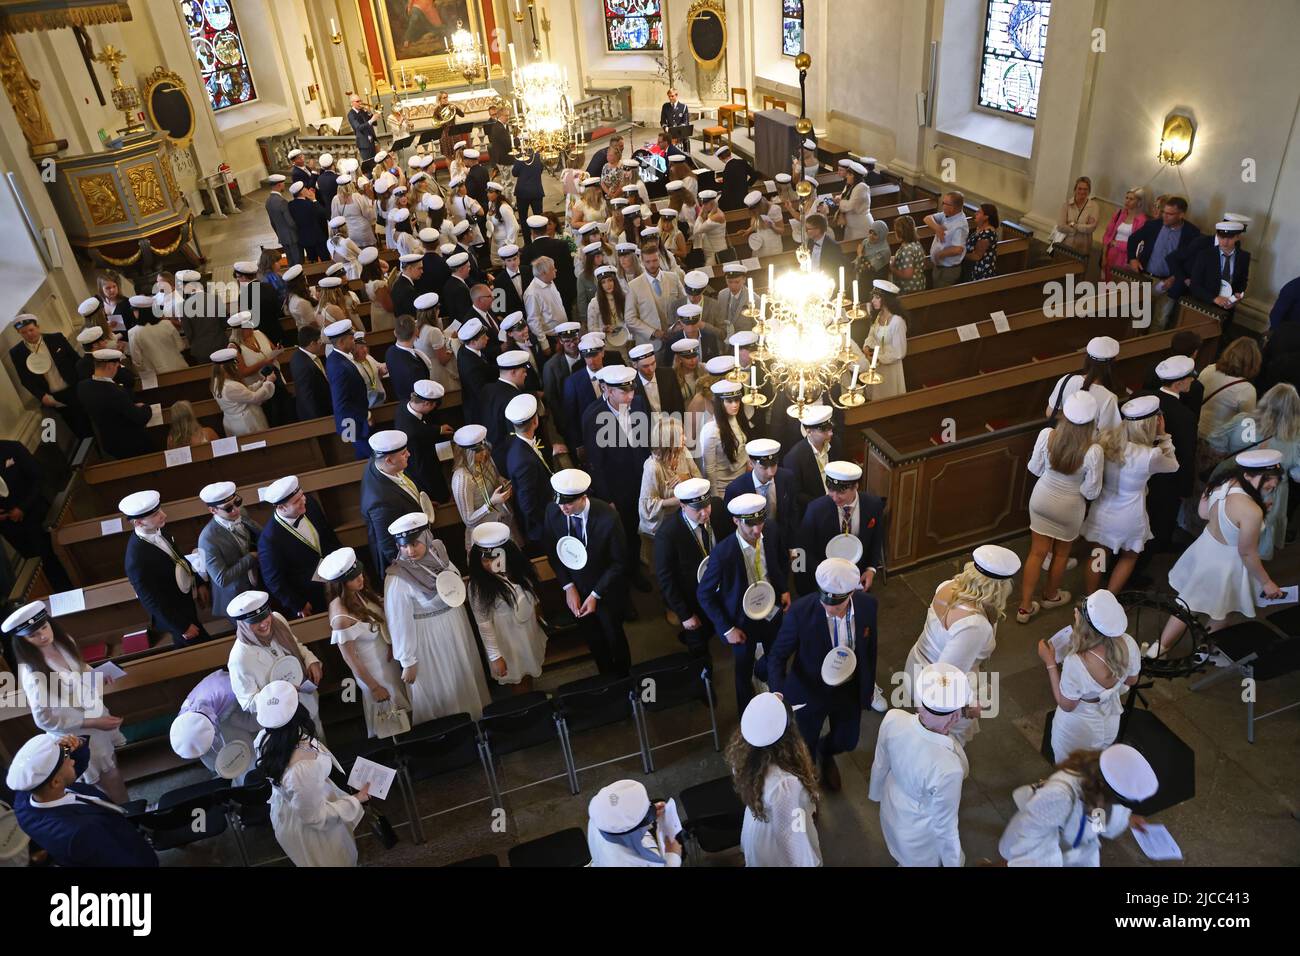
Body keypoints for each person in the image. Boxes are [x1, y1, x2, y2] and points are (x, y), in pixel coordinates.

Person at [1149, 450, 1287, 659]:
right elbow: (1247, 553)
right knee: (1223, 610)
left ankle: (1159, 649)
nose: (1271, 490)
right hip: (1228, 563)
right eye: (1269, 485)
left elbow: (1204, 513)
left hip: (1205, 549)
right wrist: (1267, 582)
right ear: (1255, 476)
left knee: (1186, 603)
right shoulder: (1251, 511)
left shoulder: (1224, 482)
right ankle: (1204, 650)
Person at [767, 557, 876, 792]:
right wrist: (777, 691)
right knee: (804, 747)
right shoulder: (799, 612)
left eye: (835, 606)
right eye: (825, 602)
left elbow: (870, 650)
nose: (828, 609)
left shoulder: (868, 606)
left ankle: (826, 752)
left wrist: (867, 689)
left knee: (848, 740)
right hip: (809, 691)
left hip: (848, 689)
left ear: (850, 595)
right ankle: (808, 792)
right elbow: (777, 655)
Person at [5, 601, 128, 803]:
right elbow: (44, 719)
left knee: (113, 768)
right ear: (23, 641)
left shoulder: (63, 642)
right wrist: (92, 723)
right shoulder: (32, 673)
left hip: (93, 714)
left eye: (44, 627)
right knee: (106, 780)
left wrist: (97, 675)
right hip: (77, 732)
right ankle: (126, 817)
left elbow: (79, 668)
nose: (43, 636)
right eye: (33, 635)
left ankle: (130, 811)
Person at [903, 544, 1019, 744]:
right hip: (938, 689)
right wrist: (966, 707)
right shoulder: (974, 626)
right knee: (946, 743)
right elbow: (946, 675)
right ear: (999, 587)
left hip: (917, 665)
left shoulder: (946, 586)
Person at [383, 512, 491, 723]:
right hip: (428, 639)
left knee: (463, 678)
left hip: (455, 628)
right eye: (404, 546)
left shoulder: (442, 560)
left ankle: (477, 728)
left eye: (414, 543)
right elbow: (398, 622)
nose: (409, 550)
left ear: (426, 537)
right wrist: (407, 659)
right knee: (443, 687)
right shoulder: (398, 578)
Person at [869, 662, 970, 867]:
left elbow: (880, 763)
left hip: (891, 805)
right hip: (918, 831)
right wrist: (954, 863)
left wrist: (876, 794)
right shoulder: (949, 768)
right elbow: (945, 826)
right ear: (955, 716)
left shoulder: (893, 718)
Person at [255, 681, 366, 867]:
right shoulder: (301, 768)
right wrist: (356, 800)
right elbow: (316, 817)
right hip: (311, 829)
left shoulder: (264, 739)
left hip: (291, 808)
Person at [698, 492, 792, 713]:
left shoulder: (771, 530)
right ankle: (747, 717)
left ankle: (779, 709)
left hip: (771, 609)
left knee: (777, 659)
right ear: (735, 521)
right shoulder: (723, 553)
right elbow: (705, 594)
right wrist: (727, 628)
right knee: (743, 670)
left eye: (760, 521)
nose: (757, 530)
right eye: (750, 525)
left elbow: (780, 561)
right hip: (741, 620)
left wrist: (784, 589)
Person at [6, 733, 155, 867]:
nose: (72, 761)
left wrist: (76, 744)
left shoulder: (25, 800)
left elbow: (63, 771)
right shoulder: (80, 833)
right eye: (67, 761)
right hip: (128, 852)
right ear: (56, 782)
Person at [1079, 395, 1179, 594]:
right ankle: (1108, 601)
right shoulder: (1149, 456)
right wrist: (1164, 436)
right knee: (1129, 557)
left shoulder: (1105, 441)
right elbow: (1173, 466)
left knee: (1098, 554)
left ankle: (1089, 599)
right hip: (1129, 515)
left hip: (1102, 509)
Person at [1018, 392, 1103, 623]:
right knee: (1061, 553)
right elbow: (1091, 492)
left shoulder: (1048, 435)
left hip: (1042, 499)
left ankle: (1024, 608)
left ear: (1064, 415)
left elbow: (1034, 468)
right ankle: (1050, 595)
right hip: (1070, 506)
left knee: (1037, 552)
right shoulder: (1093, 451)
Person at [998, 744, 1157, 867]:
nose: (1117, 807)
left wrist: (1127, 820)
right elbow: (1030, 840)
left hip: (1066, 848)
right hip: (1032, 850)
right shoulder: (1059, 795)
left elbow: (1096, 822)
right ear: (1107, 790)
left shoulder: (1097, 788)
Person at [545, 469, 631, 675]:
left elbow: (619, 562)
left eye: (568, 503)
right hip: (576, 589)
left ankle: (625, 680)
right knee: (593, 639)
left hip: (606, 590)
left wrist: (595, 594)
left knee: (614, 637)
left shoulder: (608, 517)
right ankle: (606, 678)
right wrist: (568, 587)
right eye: (559, 502)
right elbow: (552, 553)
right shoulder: (552, 511)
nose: (562, 507)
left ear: (584, 497)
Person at [317, 546, 409, 738]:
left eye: (360, 573)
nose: (361, 579)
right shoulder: (341, 617)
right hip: (373, 672)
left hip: (387, 661)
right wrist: (374, 687)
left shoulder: (358, 592)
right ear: (340, 584)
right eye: (353, 578)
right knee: (391, 721)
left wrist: (390, 643)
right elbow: (351, 659)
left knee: (405, 714)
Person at [1040, 591, 1141, 764]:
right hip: (1110, 720)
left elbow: (1067, 705)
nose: (1075, 613)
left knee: (1069, 765)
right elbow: (1131, 680)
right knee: (1096, 762)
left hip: (1079, 727)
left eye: (1077, 612)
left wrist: (1050, 663)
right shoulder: (1128, 643)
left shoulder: (1077, 661)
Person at [1203, 384, 1300, 559]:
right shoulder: (1295, 436)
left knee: (1231, 526)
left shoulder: (1242, 420)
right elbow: (1297, 475)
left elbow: (1215, 440)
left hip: (1236, 484)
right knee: (1260, 532)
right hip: (1272, 493)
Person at [727, 692, 821, 867]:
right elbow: (791, 840)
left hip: (759, 827)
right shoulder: (784, 784)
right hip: (776, 844)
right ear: (788, 737)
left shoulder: (743, 755)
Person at [120, 490, 210, 648]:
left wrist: (199, 581)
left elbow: (179, 558)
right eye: (155, 515)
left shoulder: (159, 531)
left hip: (184, 602)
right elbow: (150, 601)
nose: (164, 515)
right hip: (174, 613)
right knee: (202, 648)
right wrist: (181, 626)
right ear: (138, 523)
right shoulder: (136, 559)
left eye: (160, 510)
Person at [226, 590, 324, 735]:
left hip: (307, 700)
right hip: (283, 722)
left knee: (321, 741)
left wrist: (310, 660)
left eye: (265, 616)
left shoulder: (277, 620)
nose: (264, 624)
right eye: (254, 622)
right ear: (242, 624)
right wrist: (280, 692)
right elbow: (248, 702)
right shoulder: (239, 658)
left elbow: (296, 645)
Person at [467, 522, 547, 689]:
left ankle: (534, 699)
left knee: (529, 669)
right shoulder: (478, 586)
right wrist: (495, 656)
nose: (490, 564)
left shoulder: (517, 569)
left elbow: (531, 592)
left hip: (527, 629)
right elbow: (483, 623)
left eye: (496, 558)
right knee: (516, 675)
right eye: (485, 560)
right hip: (506, 637)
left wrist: (538, 613)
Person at [796, 458, 886, 599]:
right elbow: (801, 548)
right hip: (824, 581)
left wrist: (871, 569)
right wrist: (803, 583)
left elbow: (876, 539)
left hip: (857, 580)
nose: (835, 497)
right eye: (831, 490)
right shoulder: (815, 509)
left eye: (841, 492)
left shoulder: (873, 505)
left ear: (855, 486)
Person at [258, 474, 342, 619]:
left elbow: (329, 536)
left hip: (337, 577)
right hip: (311, 595)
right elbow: (274, 581)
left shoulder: (310, 504)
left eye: (302, 495)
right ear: (281, 507)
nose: (304, 500)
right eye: (297, 501)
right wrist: (298, 604)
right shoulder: (269, 540)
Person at [1144, 354, 1200, 557]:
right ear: (1179, 383)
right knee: (1161, 517)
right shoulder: (1184, 416)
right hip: (1167, 478)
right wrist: (1186, 487)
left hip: (1141, 470)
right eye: (1190, 378)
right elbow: (1186, 454)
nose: (1193, 381)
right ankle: (1155, 550)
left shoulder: (1142, 398)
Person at [361, 429, 436, 577]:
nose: (408, 454)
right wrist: (418, 572)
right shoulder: (380, 502)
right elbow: (389, 548)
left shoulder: (379, 463)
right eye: (403, 453)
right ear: (389, 460)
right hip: (411, 561)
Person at [0, 439, 73, 590]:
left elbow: (38, 477)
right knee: (33, 563)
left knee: (48, 556)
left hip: (34, 513)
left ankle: (68, 589)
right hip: (10, 527)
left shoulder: (11, 448)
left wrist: (22, 508)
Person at [169, 669, 261, 783]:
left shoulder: (229, 692)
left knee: (246, 753)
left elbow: (253, 712)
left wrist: (241, 722)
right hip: (218, 707)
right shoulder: (185, 721)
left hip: (232, 701)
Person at [8, 313, 89, 441]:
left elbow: (75, 360)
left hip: (75, 387)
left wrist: (85, 382)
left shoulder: (56, 338)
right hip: (55, 397)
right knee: (78, 428)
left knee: (91, 417)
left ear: (38, 327)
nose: (29, 334)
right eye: (24, 332)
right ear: (19, 333)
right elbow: (25, 379)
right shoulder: (17, 353)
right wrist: (42, 396)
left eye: (31, 330)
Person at [1126, 196, 1201, 327]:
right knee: (1138, 317)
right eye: (1164, 212)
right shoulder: (1153, 225)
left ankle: (1152, 346)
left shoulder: (1191, 233)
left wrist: (1174, 278)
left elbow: (1192, 261)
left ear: (1181, 214)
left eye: (1170, 214)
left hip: (1170, 283)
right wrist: (1132, 259)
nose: (1165, 216)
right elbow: (1133, 239)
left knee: (1160, 320)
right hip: (1146, 277)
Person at [198, 480, 262, 617]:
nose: (236, 510)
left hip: (258, 585)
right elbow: (222, 579)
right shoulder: (207, 539)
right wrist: (251, 557)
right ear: (213, 510)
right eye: (228, 508)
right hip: (236, 598)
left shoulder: (241, 512)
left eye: (237, 502)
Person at [586, 778, 682, 867]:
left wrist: (645, 812)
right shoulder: (639, 862)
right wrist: (673, 855)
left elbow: (620, 818)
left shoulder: (598, 817)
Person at [1044, 335, 1124, 433]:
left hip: (1061, 442)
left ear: (1087, 360)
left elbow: (1050, 413)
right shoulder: (1109, 398)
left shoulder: (1066, 380)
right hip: (1088, 447)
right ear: (1112, 365)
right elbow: (1108, 436)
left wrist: (1072, 422)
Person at [323, 318, 371, 459]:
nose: (354, 341)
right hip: (353, 424)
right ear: (341, 342)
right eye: (351, 338)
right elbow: (341, 403)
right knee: (374, 458)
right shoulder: (338, 366)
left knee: (365, 458)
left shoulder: (339, 359)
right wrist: (359, 421)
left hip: (356, 422)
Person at [783, 404, 840, 519]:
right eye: (824, 430)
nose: (830, 433)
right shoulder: (794, 457)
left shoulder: (836, 443)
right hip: (812, 512)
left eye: (831, 428)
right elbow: (796, 494)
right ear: (809, 431)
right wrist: (824, 502)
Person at [1196, 337, 1259, 440]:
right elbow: (1246, 424)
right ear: (1253, 362)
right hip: (1217, 441)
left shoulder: (1209, 369)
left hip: (1195, 429)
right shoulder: (1247, 390)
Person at [699, 379, 754, 498]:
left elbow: (744, 447)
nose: (735, 405)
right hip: (723, 489)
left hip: (744, 481)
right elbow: (709, 469)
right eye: (729, 401)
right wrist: (715, 497)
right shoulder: (710, 430)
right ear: (720, 403)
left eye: (737, 400)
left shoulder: (740, 419)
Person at [210, 347, 275, 437]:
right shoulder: (231, 386)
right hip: (245, 422)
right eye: (234, 364)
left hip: (232, 421)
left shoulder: (217, 382)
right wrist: (268, 383)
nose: (236, 367)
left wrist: (261, 383)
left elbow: (244, 393)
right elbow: (254, 398)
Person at [863, 279, 908, 399]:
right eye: (873, 297)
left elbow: (899, 352)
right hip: (877, 365)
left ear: (886, 299)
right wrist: (867, 346)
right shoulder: (878, 315)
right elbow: (872, 335)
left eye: (877, 297)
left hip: (890, 369)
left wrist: (879, 357)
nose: (873, 301)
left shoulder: (897, 322)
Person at [126, 295, 187, 373]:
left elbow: (137, 360)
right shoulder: (167, 324)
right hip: (179, 368)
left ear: (137, 312)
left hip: (157, 374)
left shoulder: (133, 332)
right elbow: (181, 346)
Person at [1100, 187, 1149, 281]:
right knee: (1106, 282)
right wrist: (1104, 255)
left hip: (1126, 256)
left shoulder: (1142, 220)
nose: (1127, 201)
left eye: (1131, 199)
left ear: (1139, 202)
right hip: (1111, 252)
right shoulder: (1120, 213)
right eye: (1126, 198)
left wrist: (1117, 244)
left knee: (1118, 284)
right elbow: (1108, 234)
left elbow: (1139, 245)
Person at [924, 192, 968, 288]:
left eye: (944, 203)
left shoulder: (959, 225)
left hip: (948, 270)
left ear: (952, 207)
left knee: (940, 296)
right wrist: (937, 228)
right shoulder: (946, 215)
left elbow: (958, 249)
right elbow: (927, 218)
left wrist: (940, 254)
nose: (942, 205)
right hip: (939, 265)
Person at [290, 325, 333, 421]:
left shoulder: (297, 355)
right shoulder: (304, 366)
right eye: (319, 341)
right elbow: (307, 396)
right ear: (312, 343)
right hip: (318, 414)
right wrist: (317, 421)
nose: (321, 344)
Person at [1056, 176, 1099, 256]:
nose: (1082, 191)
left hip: (1083, 248)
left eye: (1085, 189)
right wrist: (1074, 231)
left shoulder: (1094, 206)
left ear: (1089, 191)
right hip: (1066, 246)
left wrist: (1073, 225)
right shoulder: (1066, 205)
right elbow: (1060, 226)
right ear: (1075, 189)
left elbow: (1091, 228)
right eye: (1079, 188)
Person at [265, 175, 301, 265]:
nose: (284, 185)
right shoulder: (282, 201)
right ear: (279, 185)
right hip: (291, 236)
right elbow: (290, 222)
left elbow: (272, 222)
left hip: (282, 236)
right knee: (298, 261)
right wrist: (299, 230)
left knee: (290, 260)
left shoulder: (268, 201)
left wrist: (279, 234)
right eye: (283, 183)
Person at [887, 215, 927, 294]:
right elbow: (910, 261)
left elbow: (907, 274)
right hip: (919, 284)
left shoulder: (906, 249)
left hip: (909, 289)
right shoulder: (916, 244)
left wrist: (891, 268)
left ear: (900, 233)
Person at [836, 160, 873, 242]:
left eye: (849, 174)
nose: (847, 176)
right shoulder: (851, 184)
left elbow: (850, 205)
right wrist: (839, 198)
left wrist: (840, 202)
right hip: (852, 225)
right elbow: (844, 196)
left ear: (855, 176)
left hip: (860, 225)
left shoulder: (861, 187)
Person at [963, 202, 1000, 281]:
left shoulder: (987, 234)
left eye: (979, 212)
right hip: (971, 267)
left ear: (986, 217)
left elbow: (977, 256)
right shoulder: (979, 228)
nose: (975, 213)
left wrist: (960, 255)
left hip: (981, 271)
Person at [512, 150, 545, 220]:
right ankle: (539, 230)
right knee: (539, 217)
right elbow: (541, 169)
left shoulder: (519, 157)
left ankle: (526, 231)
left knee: (523, 217)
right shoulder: (538, 156)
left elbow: (514, 173)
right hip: (536, 190)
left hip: (522, 192)